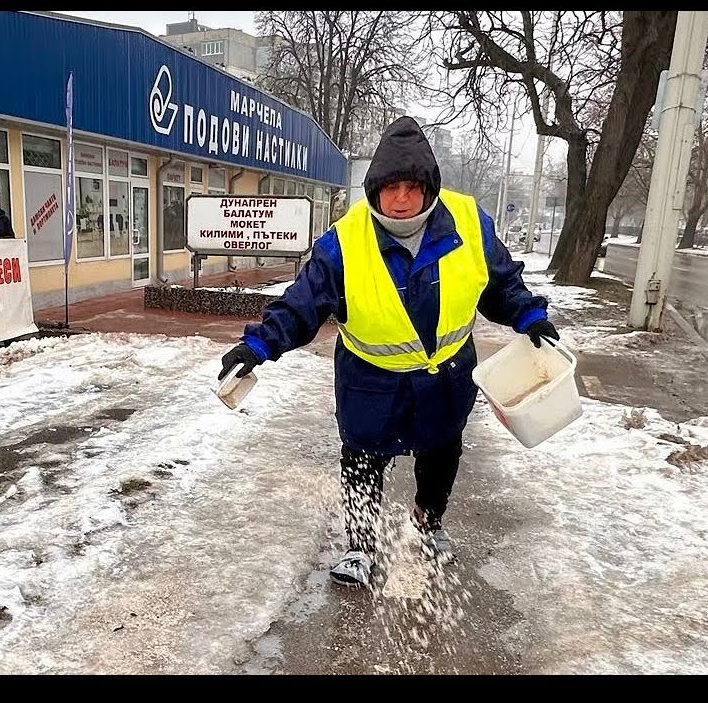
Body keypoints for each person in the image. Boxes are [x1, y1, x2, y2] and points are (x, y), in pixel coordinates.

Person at [218, 116, 558, 588]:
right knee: (362, 460)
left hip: (446, 375)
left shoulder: (469, 222)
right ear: (374, 190)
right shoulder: (344, 241)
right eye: (391, 188)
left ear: (429, 187)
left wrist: (529, 315)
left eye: (412, 187)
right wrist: (258, 345)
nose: (401, 199)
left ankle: (428, 523)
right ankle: (360, 546)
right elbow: (301, 304)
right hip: (370, 380)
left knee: (441, 454)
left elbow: (501, 283)